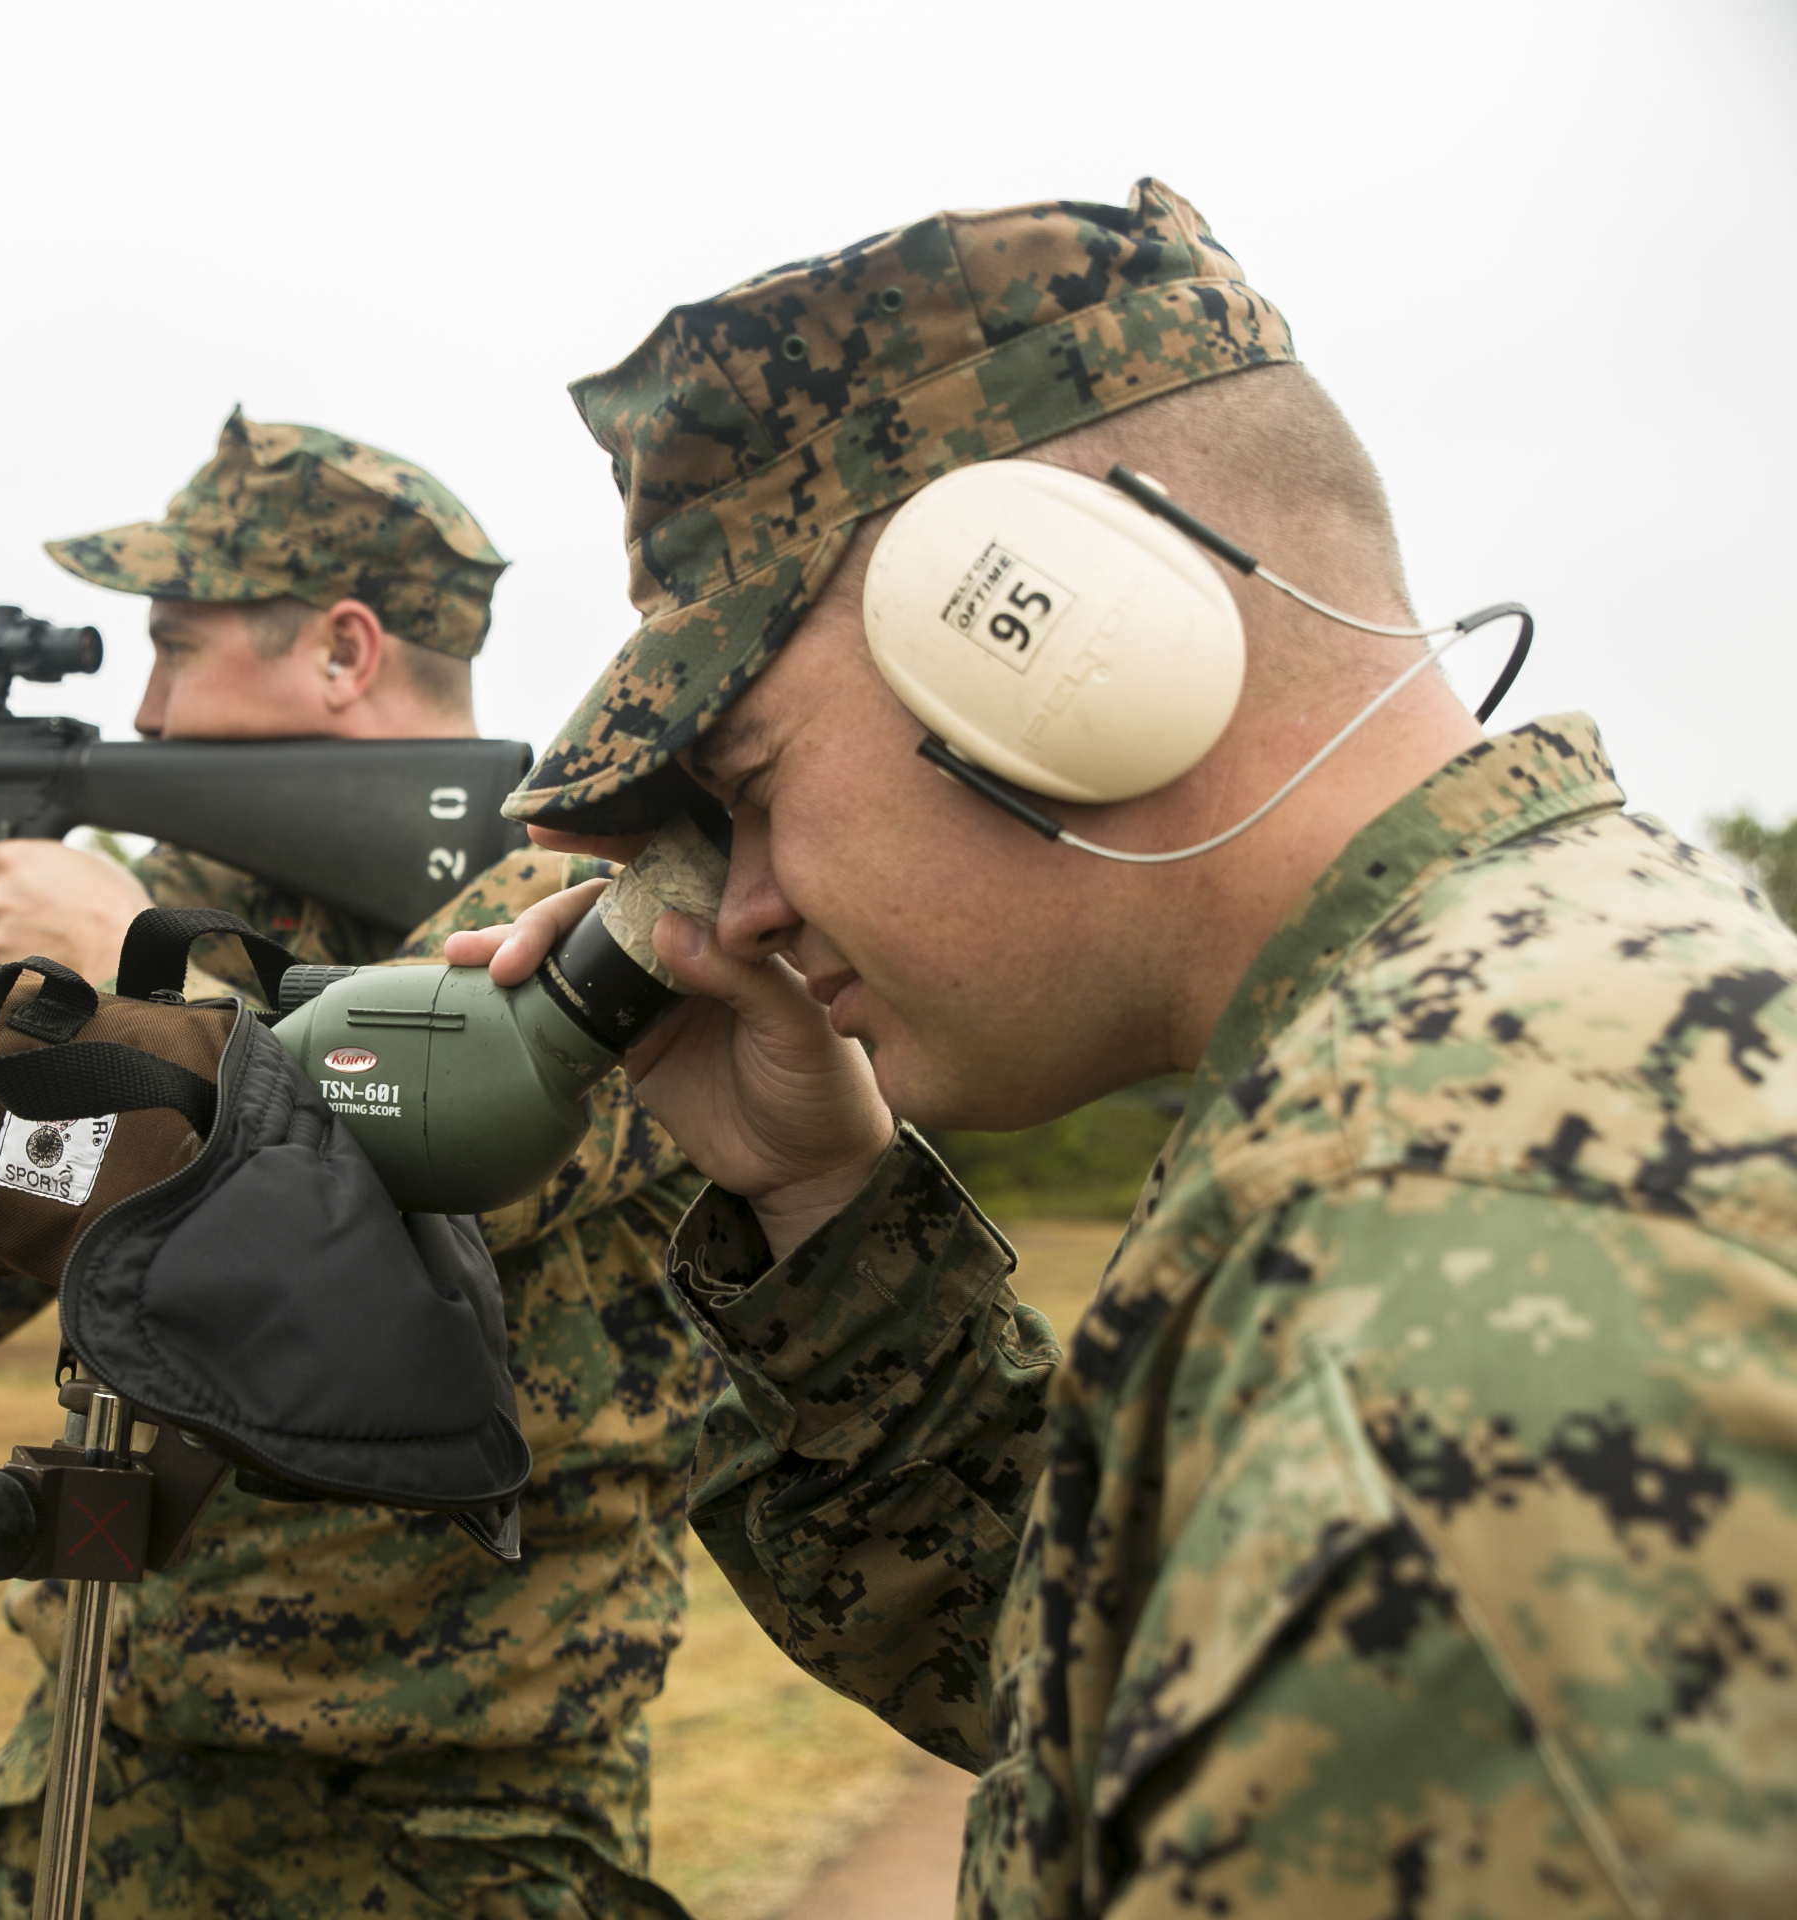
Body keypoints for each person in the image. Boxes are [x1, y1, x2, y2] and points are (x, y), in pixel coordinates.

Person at [447, 181, 1797, 1917]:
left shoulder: (1436, 1248)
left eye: (753, 793)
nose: (751, 908)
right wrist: (823, 1207)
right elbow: (1122, 1665)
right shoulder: (1507, 1043)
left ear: (1038, 633)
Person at [0, 410, 722, 1918]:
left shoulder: (605, 914)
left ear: (345, 652)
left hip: (449, 1816)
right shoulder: (180, 904)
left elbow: (388, 1182)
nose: (150, 714)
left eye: (175, 646)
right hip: (116, 1769)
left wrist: (134, 983)